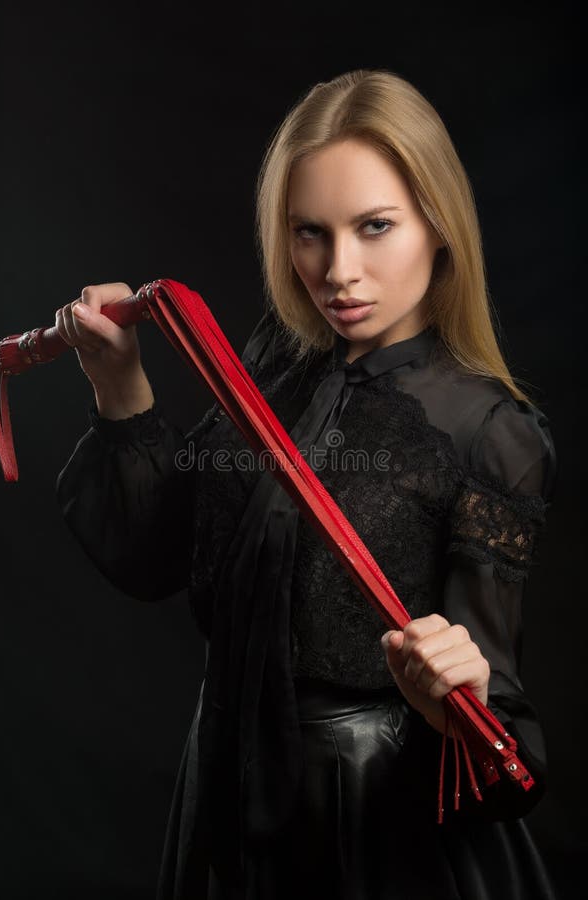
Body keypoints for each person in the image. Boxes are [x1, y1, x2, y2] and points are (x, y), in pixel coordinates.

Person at [54, 69, 558, 899]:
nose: (338, 271)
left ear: (439, 224)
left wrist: (453, 694)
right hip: (221, 793)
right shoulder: (272, 362)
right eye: (309, 233)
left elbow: (502, 747)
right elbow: (155, 560)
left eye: (375, 227)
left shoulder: (492, 432)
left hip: (372, 833)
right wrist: (118, 384)